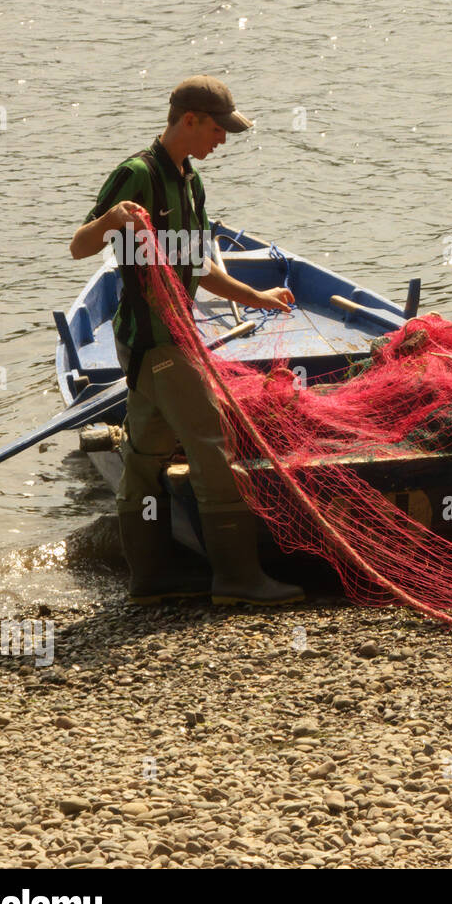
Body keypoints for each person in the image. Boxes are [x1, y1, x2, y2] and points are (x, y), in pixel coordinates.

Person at [69, 75, 303, 607]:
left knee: (147, 450)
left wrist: (257, 296)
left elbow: (197, 269)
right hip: (153, 341)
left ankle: (149, 581)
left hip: (176, 334)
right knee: (211, 441)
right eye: (218, 129)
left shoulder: (191, 183)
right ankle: (238, 578)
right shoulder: (137, 175)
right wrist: (112, 219)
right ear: (189, 120)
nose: (222, 140)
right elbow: (80, 246)